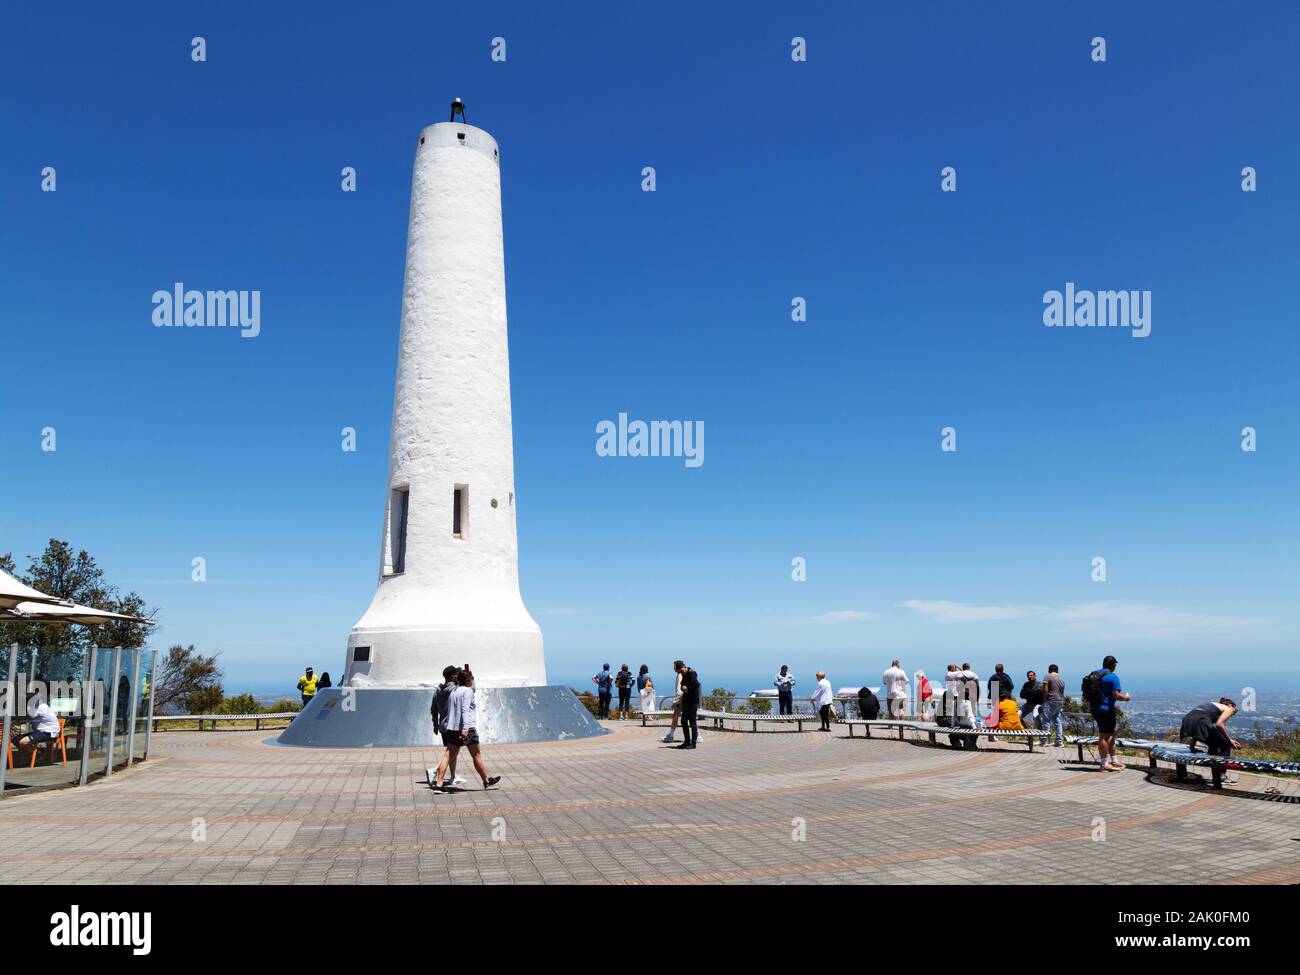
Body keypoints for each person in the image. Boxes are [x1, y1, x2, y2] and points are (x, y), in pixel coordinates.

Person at [438, 667, 500, 790]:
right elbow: (465, 710)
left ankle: (439, 783)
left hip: (453, 728)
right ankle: (486, 780)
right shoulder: (467, 692)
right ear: (467, 680)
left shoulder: (454, 692)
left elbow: (450, 710)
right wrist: (465, 729)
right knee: (476, 755)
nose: (473, 679)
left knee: (448, 755)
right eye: (471, 677)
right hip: (467, 728)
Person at [1086, 655, 1130, 772]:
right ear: (1113, 665)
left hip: (1095, 708)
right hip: (1106, 709)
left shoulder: (1095, 674)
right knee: (1104, 736)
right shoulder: (1112, 677)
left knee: (1110, 735)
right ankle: (1104, 763)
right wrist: (1126, 698)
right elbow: (1117, 696)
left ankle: (1113, 760)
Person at [429, 666, 466, 790]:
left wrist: (435, 725)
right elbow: (470, 689)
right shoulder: (455, 690)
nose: (458, 675)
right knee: (451, 752)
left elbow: (433, 709)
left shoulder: (438, 690)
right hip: (454, 726)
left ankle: (453, 776)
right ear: (451, 676)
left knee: (452, 751)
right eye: (456, 674)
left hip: (443, 726)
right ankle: (434, 770)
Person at [15, 692, 61, 759]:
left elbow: (26, 717)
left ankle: (38, 754)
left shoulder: (40, 706)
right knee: (15, 739)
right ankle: (37, 751)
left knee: (22, 742)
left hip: (48, 732)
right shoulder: (36, 705)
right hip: (40, 731)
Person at [676, 661, 701, 749]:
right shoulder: (684, 674)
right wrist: (683, 686)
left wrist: (687, 688)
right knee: (683, 721)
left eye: (680, 671)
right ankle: (686, 741)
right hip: (686, 701)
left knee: (692, 722)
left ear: (683, 667)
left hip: (692, 701)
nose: (680, 673)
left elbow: (696, 684)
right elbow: (682, 683)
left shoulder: (692, 673)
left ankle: (693, 743)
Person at [661, 663, 684, 743]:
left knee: (677, 717)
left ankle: (671, 735)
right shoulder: (683, 674)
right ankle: (670, 734)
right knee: (677, 716)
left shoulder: (680, 676)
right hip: (684, 699)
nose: (673, 669)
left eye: (674, 667)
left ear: (678, 668)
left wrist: (676, 702)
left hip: (681, 700)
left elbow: (679, 691)